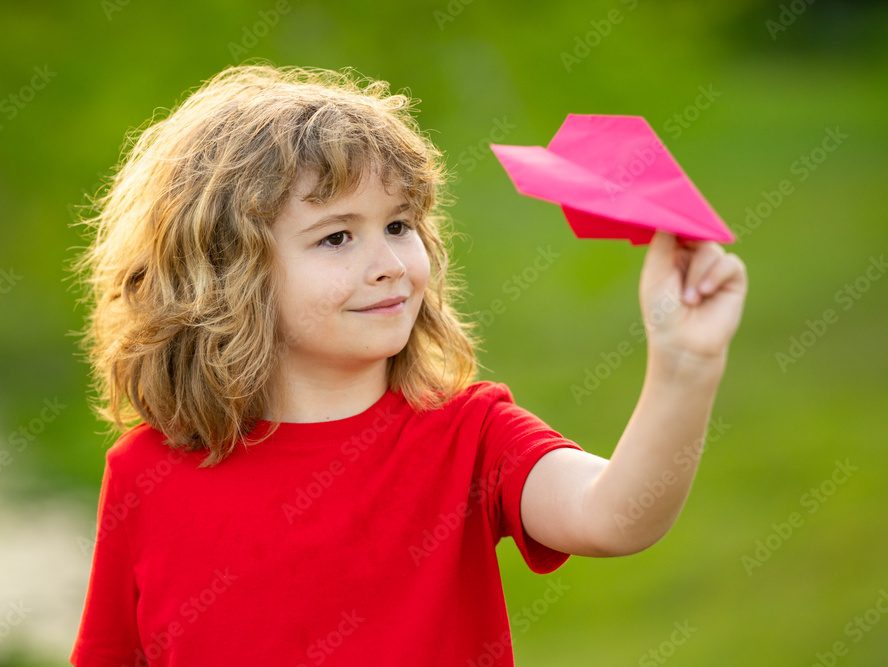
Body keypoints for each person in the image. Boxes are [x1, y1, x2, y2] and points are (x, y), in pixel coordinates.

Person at [67, 62, 747, 667]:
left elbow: (614, 515)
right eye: (338, 236)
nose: (390, 264)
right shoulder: (143, 473)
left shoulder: (471, 435)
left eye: (399, 226)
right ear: (227, 276)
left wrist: (684, 364)